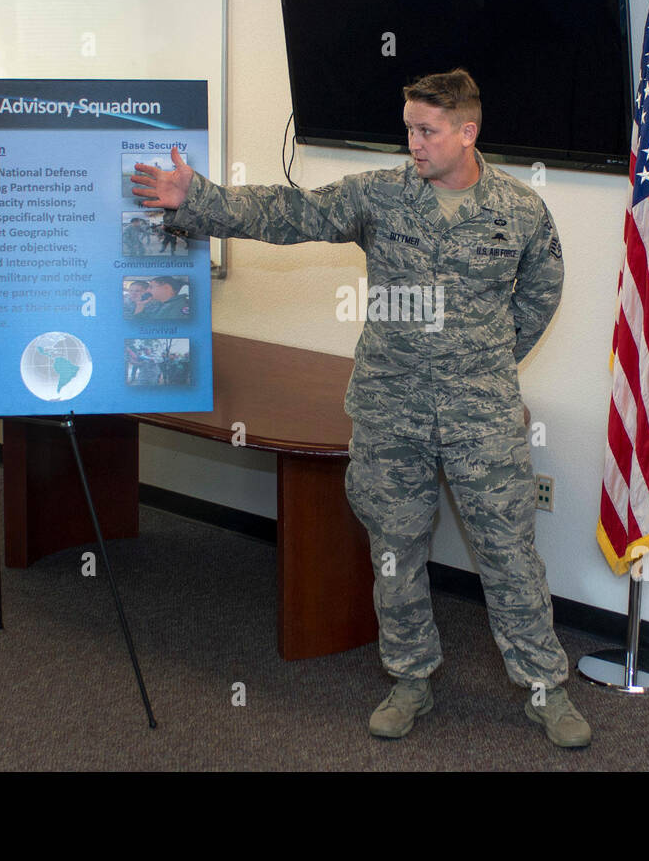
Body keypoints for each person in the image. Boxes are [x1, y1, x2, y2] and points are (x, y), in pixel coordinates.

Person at [131, 68, 588, 748]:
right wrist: (198, 199)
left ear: (469, 132)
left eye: (427, 131)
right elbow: (290, 213)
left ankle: (545, 687)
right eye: (408, 128)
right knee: (394, 552)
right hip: (388, 408)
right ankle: (410, 678)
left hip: (481, 418)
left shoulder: (520, 210)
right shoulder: (378, 196)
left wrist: (481, 362)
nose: (414, 143)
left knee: (509, 553)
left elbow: (541, 295)